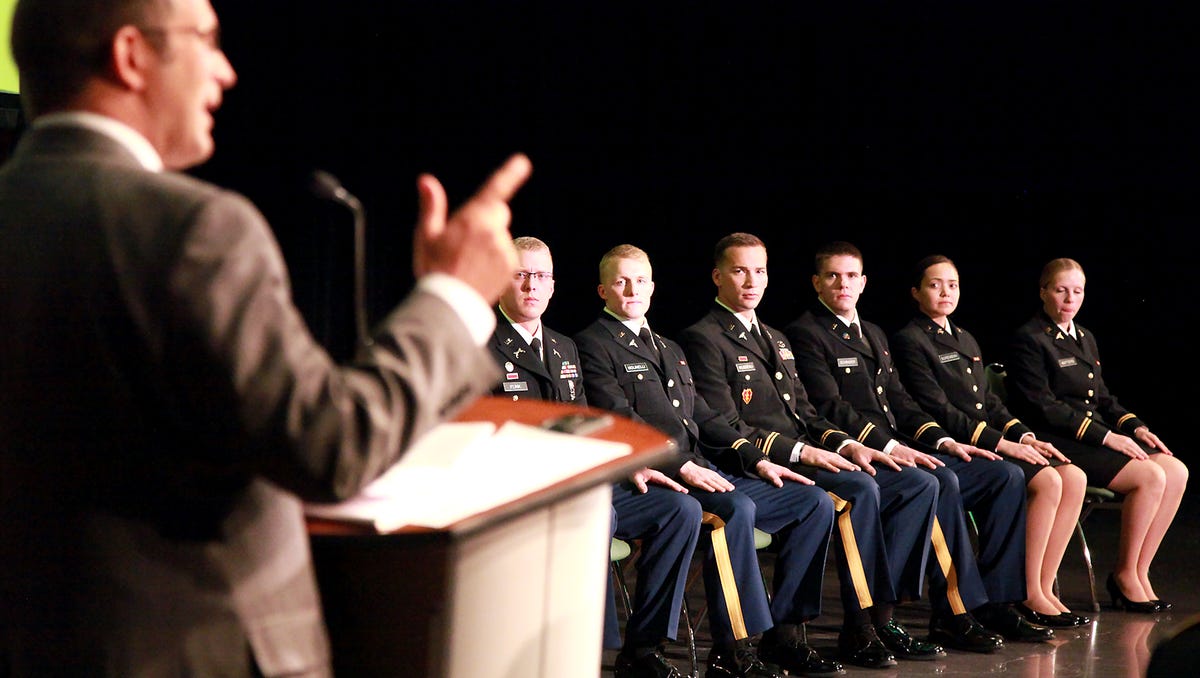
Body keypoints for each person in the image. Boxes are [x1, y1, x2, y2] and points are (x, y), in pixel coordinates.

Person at [0, 0, 531, 675]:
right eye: (206, 40)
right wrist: (454, 294)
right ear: (131, 56)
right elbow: (332, 444)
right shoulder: (193, 228)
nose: (225, 71)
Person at [678, 233, 945, 669]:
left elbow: (804, 413)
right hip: (755, 464)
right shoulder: (703, 337)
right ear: (717, 276)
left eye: (760, 270)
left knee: (916, 483)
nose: (752, 280)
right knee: (855, 491)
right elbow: (725, 426)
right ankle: (842, 630)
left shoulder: (776, 338)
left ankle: (881, 616)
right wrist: (804, 453)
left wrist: (846, 444)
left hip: (801, 455)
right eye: (740, 270)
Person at [575, 244, 840, 678]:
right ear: (603, 289)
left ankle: (786, 635)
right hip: (656, 474)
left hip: (704, 467)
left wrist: (755, 460)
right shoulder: (592, 345)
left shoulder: (669, 346)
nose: (631, 290)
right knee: (735, 509)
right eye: (621, 281)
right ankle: (730, 649)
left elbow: (705, 416)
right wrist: (677, 464)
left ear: (653, 287)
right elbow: (622, 419)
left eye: (640, 280)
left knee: (812, 502)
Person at [783, 241, 1054, 653]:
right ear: (817, 282)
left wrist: (943, 440)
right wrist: (891, 445)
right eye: (833, 276)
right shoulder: (806, 332)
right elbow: (830, 407)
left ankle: (997, 601)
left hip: (902, 444)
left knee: (1004, 474)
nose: (844, 284)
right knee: (936, 481)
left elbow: (900, 402)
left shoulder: (872, 332)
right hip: (859, 448)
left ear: (864, 282)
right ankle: (945, 614)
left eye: (852, 275)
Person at [487, 236, 701, 677]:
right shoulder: (482, 346)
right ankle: (587, 654)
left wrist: (627, 463)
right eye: (521, 274)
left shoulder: (563, 346)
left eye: (541, 276)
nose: (532, 285)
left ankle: (644, 647)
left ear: (552, 286)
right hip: (521, 490)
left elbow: (588, 422)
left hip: (581, 480)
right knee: (594, 515)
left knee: (680, 509)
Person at [891, 255, 1090, 628]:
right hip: (946, 444)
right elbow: (940, 410)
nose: (946, 292)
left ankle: (1042, 588)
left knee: (1073, 477)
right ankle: (1025, 591)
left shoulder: (964, 337)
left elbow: (989, 403)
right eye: (935, 285)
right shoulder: (909, 340)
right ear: (916, 292)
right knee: (1045, 479)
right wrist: (1003, 444)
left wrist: (1023, 435)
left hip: (986, 440)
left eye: (953, 284)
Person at [1005, 257, 1188, 613]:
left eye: (1077, 291)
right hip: (1056, 438)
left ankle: (1138, 570)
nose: (1069, 299)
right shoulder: (1029, 338)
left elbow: (1102, 397)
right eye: (1060, 290)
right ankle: (1123, 576)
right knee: (1150, 475)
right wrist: (1108, 438)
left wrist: (1135, 427)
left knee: (1177, 470)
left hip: (1090, 437)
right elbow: (1043, 407)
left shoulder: (1084, 337)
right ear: (1043, 292)